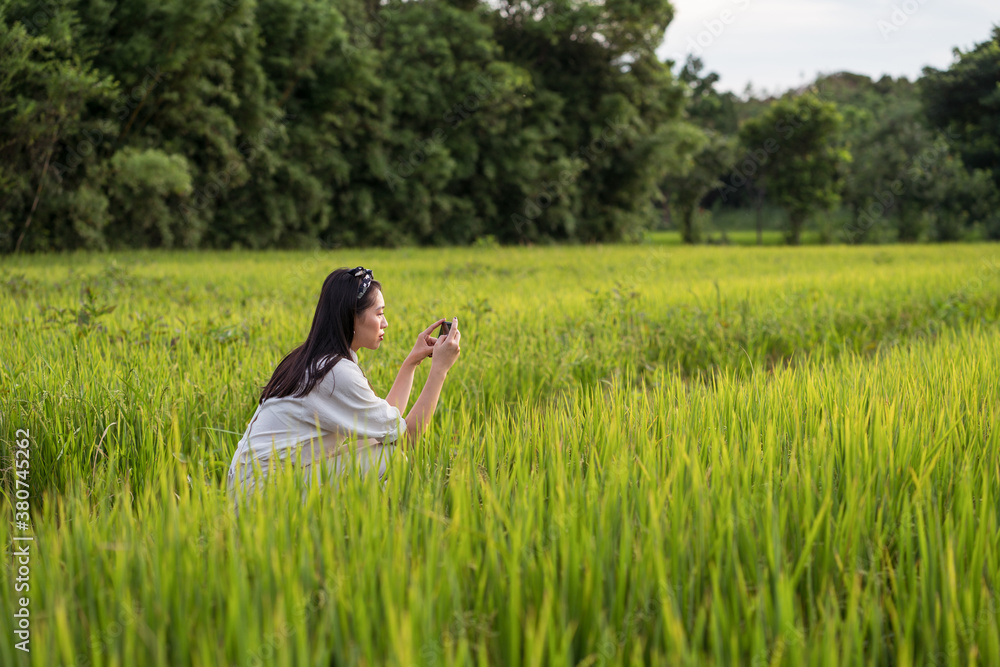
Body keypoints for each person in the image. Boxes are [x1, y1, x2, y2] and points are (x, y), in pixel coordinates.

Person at [226, 266, 461, 505]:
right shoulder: (335, 373)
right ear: (351, 318)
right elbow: (407, 438)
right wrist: (440, 369)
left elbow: (385, 426)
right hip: (263, 496)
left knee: (373, 440)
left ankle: (351, 526)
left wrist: (412, 362)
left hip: (250, 485)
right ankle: (366, 530)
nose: (385, 323)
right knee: (392, 457)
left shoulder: (314, 360)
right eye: (378, 314)